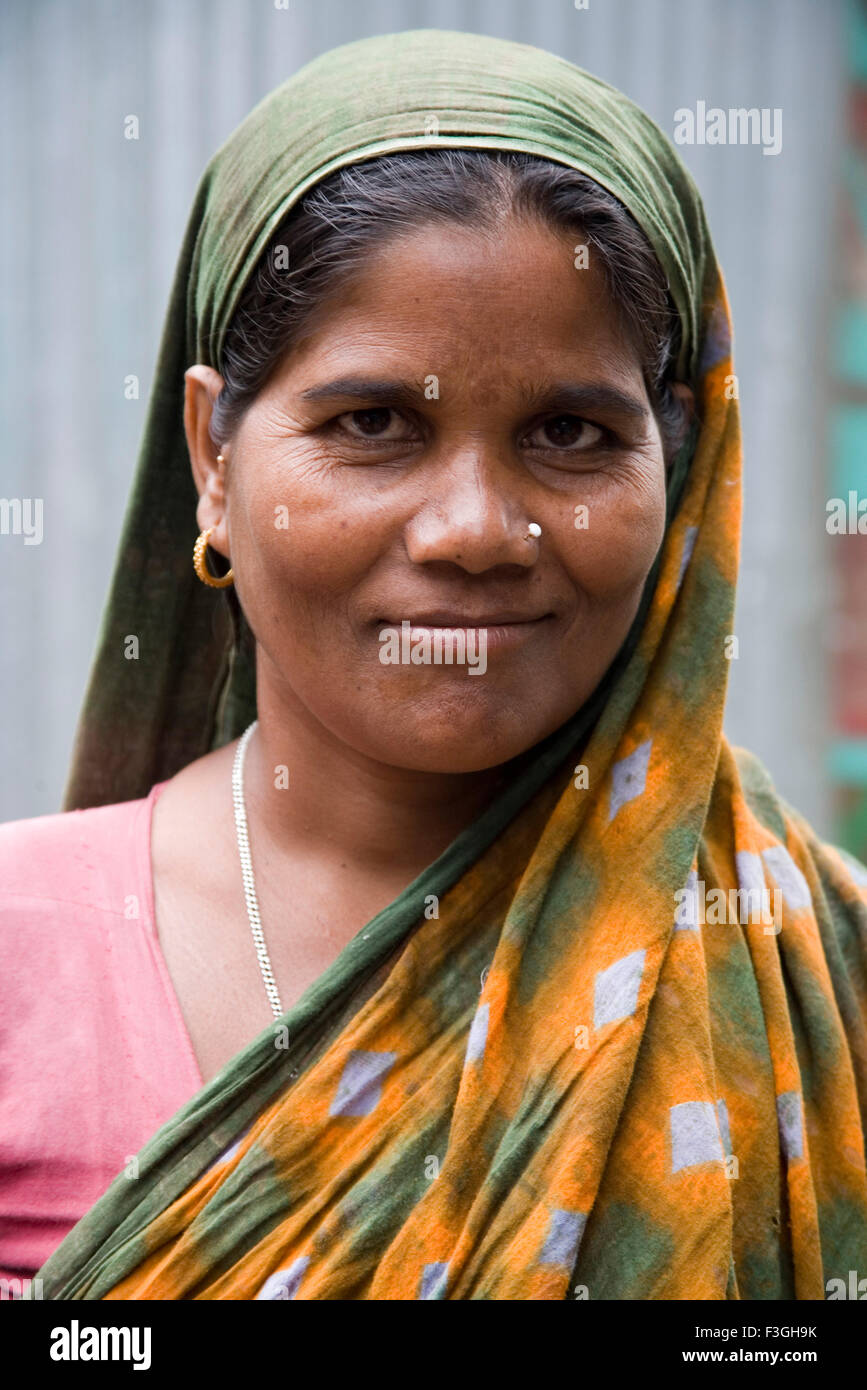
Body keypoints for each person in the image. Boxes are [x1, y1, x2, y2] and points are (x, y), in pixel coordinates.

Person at [3, 28, 866, 1301]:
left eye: (570, 432)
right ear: (213, 457)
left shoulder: (816, 960)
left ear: (676, 468)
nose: (472, 530)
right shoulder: (22, 955)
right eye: (373, 424)